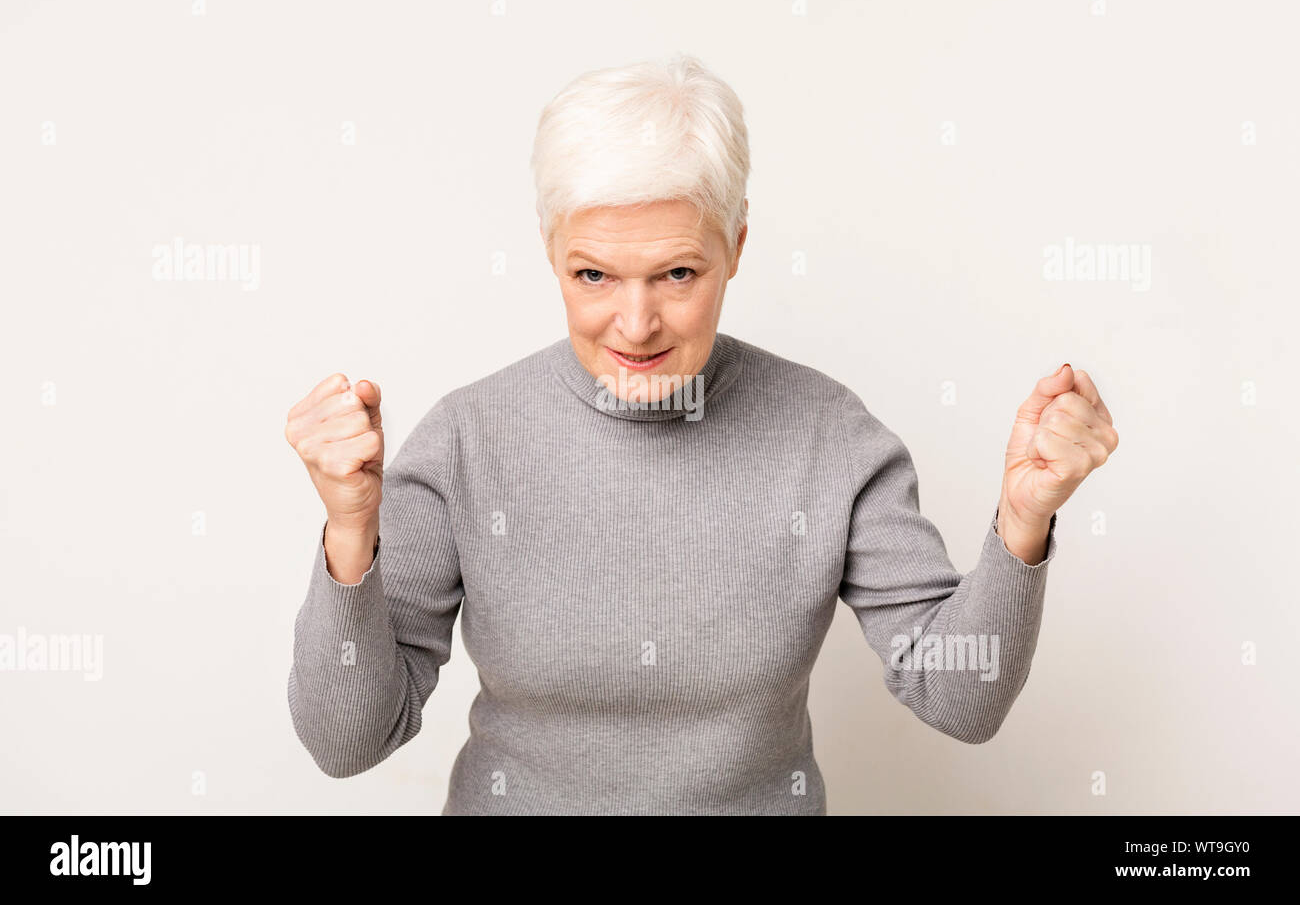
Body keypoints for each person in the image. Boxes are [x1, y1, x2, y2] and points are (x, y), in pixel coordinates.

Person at [283, 52, 1119, 815]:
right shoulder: (467, 440)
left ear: (738, 245)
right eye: (594, 275)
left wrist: (1022, 526)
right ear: (550, 254)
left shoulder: (829, 437)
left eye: (678, 273)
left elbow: (959, 700)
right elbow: (347, 744)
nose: (637, 322)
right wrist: (352, 533)